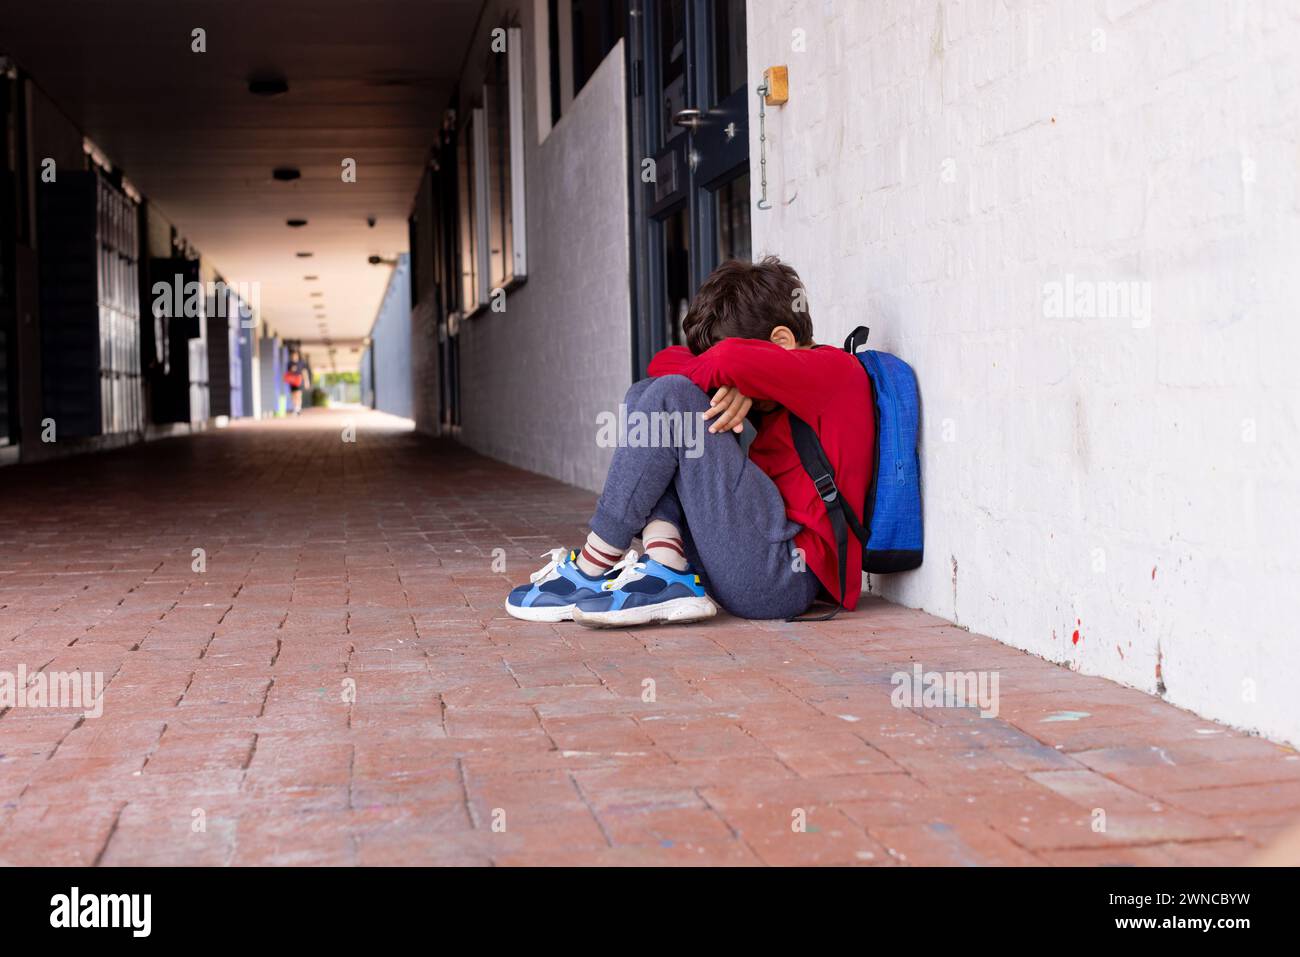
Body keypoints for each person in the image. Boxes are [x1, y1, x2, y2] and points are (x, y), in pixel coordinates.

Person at [505, 256, 875, 627]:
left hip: (785, 579)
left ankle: (592, 565)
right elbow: (665, 361)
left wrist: (740, 375)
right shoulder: (782, 381)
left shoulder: (836, 372)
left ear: (782, 341)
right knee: (645, 394)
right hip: (743, 559)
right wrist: (740, 379)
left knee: (672, 399)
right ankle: (666, 566)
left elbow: (726, 358)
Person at [284, 350, 311, 415]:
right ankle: (295, 408)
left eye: (295, 355)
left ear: (297, 356)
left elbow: (304, 372)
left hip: (299, 380)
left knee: (298, 394)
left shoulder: (301, 363)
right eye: (292, 355)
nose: (294, 357)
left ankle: (298, 408)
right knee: (293, 395)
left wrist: (306, 381)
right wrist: (291, 370)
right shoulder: (289, 363)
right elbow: (287, 373)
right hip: (292, 381)